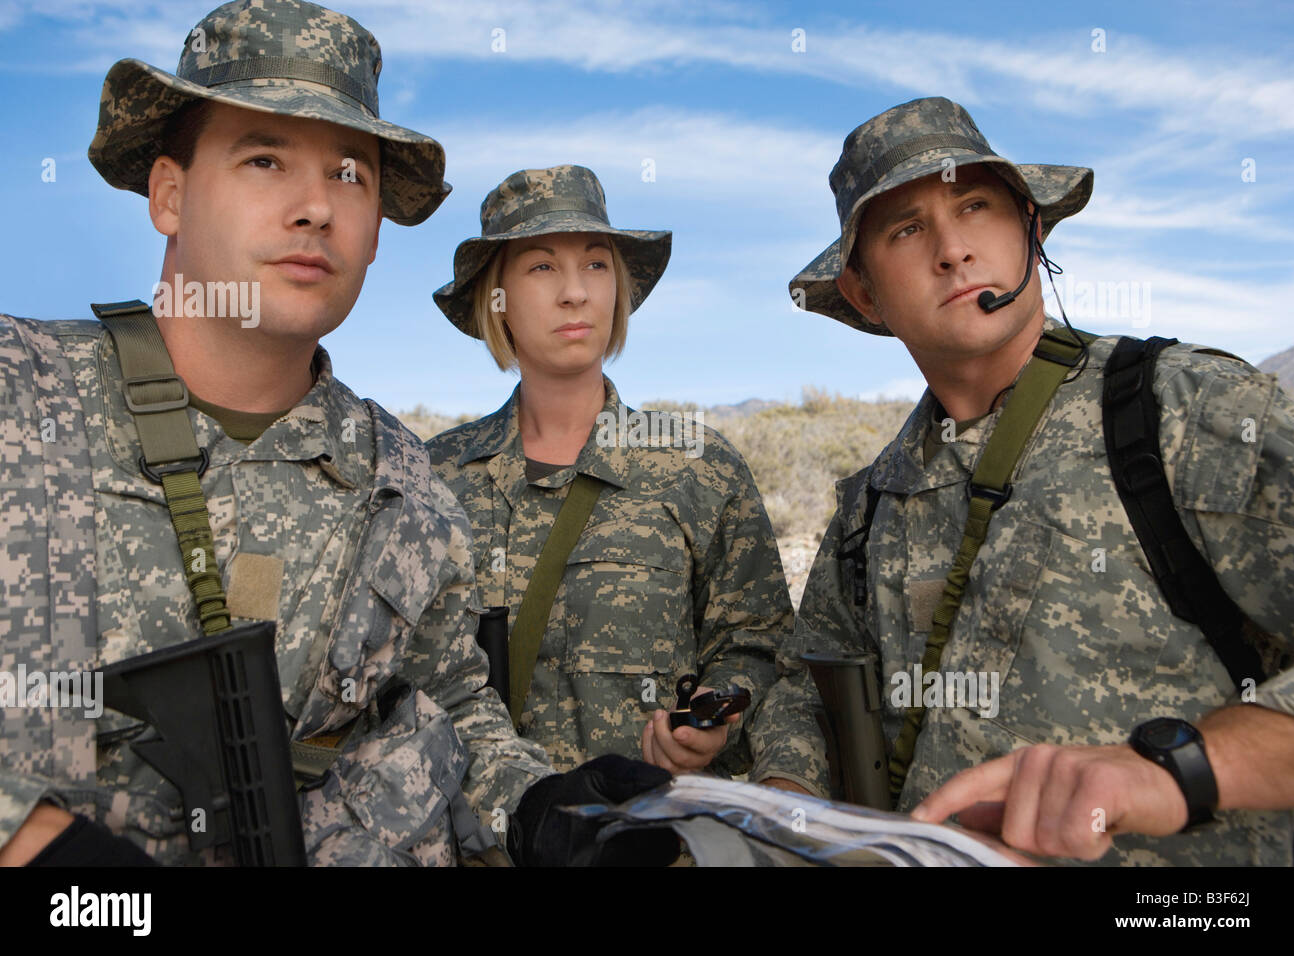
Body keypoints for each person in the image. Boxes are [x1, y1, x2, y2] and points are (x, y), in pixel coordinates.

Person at [0, 0, 579, 868]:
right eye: (264, 159)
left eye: (351, 174)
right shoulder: (22, 390)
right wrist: (39, 849)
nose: (316, 207)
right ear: (169, 194)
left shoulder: (399, 478)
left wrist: (545, 808)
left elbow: (451, 705)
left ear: (379, 227)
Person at [748, 96, 1294, 864]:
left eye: (975, 207)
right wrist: (787, 798)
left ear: (1032, 235)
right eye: (907, 229)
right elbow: (806, 689)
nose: (952, 250)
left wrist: (1178, 769)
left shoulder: (1180, 411)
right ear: (865, 292)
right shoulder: (870, 506)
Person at [425, 165, 793, 778]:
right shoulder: (435, 477)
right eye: (542, 267)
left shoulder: (697, 467)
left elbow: (760, 650)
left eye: (596, 265)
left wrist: (714, 724)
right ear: (498, 298)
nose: (576, 292)